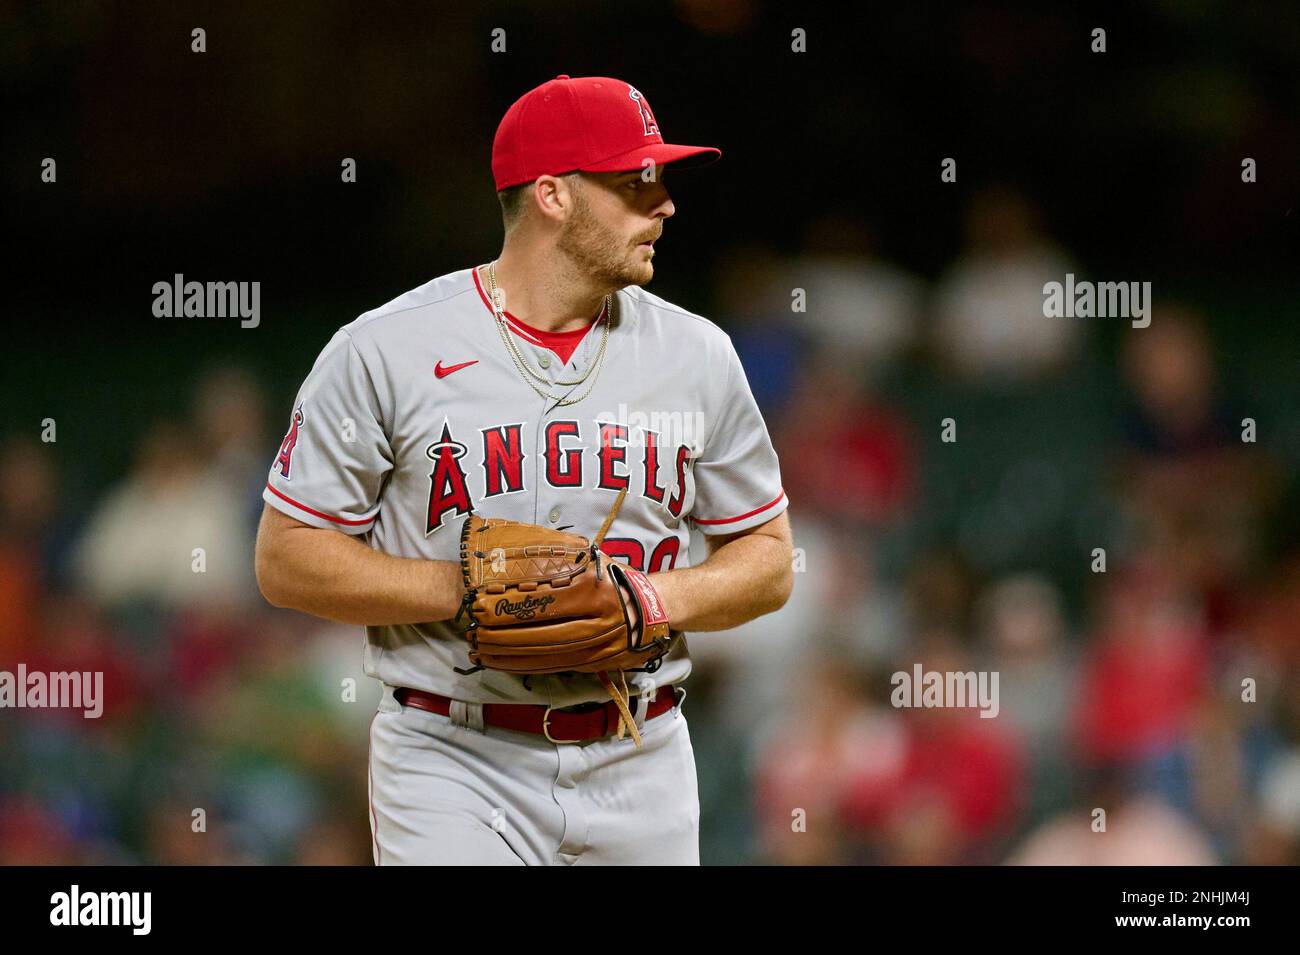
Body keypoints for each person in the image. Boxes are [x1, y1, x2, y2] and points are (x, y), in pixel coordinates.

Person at [253, 74, 793, 865]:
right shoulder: (385, 349)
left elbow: (771, 560)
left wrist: (645, 599)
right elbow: (284, 557)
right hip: (454, 751)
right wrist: (466, 592)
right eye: (635, 181)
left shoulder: (697, 354)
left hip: (641, 750)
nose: (665, 202)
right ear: (552, 195)